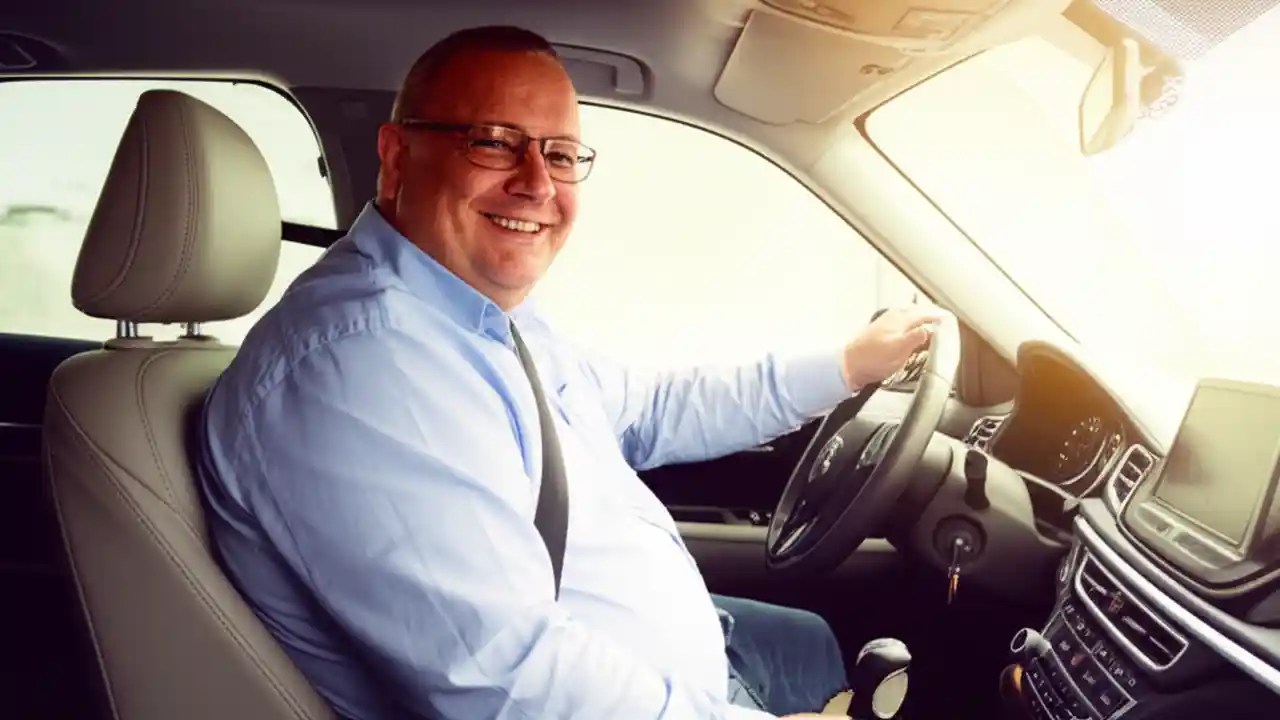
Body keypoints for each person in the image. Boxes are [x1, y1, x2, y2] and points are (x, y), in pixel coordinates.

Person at [198, 25, 939, 720]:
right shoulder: (355, 368)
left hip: (680, 668)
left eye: (559, 154)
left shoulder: (468, 317)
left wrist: (846, 367)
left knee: (814, 637)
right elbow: (508, 679)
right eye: (493, 143)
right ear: (397, 157)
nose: (537, 184)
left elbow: (647, 409)